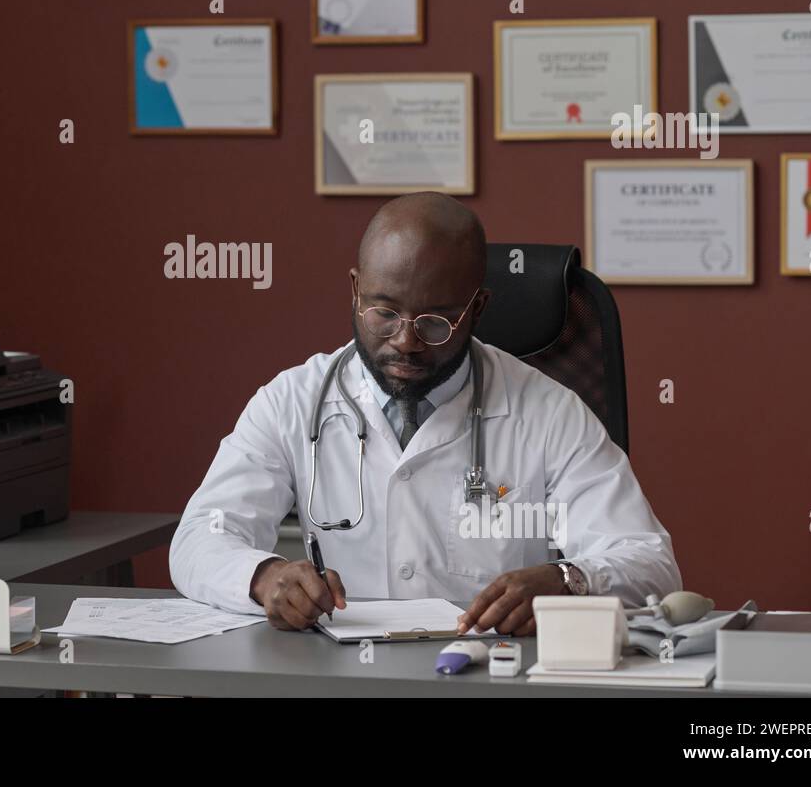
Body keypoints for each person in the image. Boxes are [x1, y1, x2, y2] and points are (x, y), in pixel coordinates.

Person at [169, 193, 680, 634]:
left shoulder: (549, 413)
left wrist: (570, 580)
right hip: (339, 679)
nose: (406, 342)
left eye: (436, 322)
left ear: (477, 309)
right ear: (354, 290)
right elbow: (198, 540)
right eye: (384, 314)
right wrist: (262, 577)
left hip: (492, 676)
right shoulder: (292, 401)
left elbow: (651, 565)